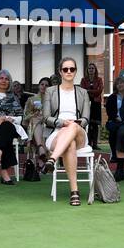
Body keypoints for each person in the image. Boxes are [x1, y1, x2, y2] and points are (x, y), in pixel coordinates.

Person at [44, 58, 92, 205]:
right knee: (69, 144)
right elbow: (46, 118)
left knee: (73, 127)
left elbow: (85, 118)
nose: (69, 72)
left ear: (76, 71)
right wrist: (61, 122)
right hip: (57, 133)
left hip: (79, 133)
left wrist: (74, 124)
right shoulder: (50, 91)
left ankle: (52, 159)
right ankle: (74, 192)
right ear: (60, 72)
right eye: (65, 69)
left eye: (72, 69)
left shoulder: (83, 92)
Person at [23, 76, 53, 175]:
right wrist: (35, 115)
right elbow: (26, 117)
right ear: (39, 86)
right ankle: (42, 156)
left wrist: (46, 118)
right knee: (35, 121)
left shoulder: (52, 100)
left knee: (38, 124)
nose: (44, 86)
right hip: (34, 124)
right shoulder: (31, 99)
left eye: (46, 85)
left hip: (49, 125)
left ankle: (41, 152)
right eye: (42, 84)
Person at [82, 62, 105, 149]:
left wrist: (89, 91)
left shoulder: (99, 80)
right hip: (87, 103)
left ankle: (95, 144)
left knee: (95, 124)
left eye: (92, 68)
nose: (91, 70)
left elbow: (99, 91)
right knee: (87, 123)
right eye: (89, 68)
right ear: (87, 70)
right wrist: (93, 91)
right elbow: (83, 91)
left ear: (95, 70)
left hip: (96, 103)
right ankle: (87, 143)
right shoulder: (84, 80)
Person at [104, 76, 124, 157]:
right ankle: (114, 154)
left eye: (121, 83)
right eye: (117, 84)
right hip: (115, 120)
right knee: (114, 131)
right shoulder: (112, 97)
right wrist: (116, 118)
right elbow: (109, 111)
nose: (119, 85)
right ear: (115, 86)